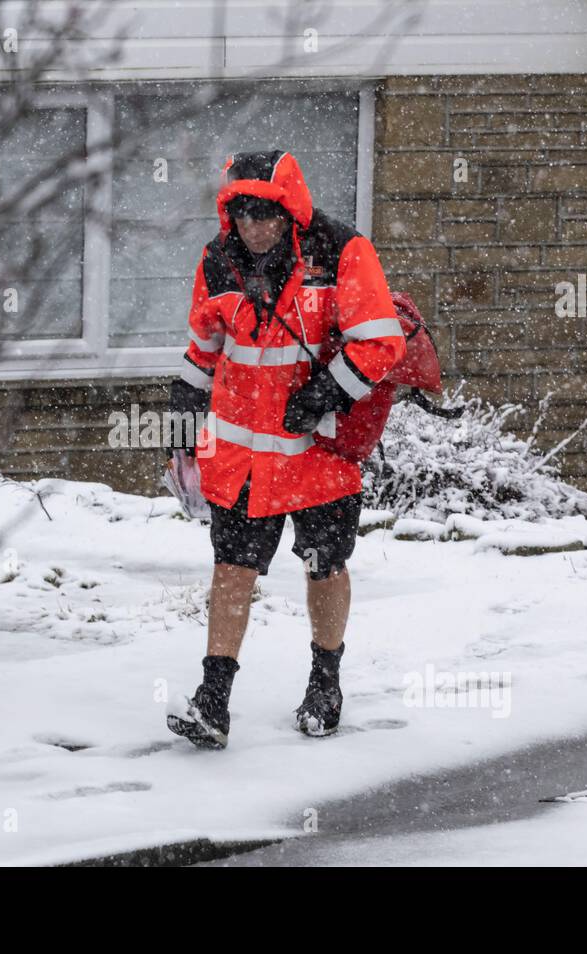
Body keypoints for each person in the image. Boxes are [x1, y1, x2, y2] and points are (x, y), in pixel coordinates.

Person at [166, 149, 406, 749]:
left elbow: (380, 343)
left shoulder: (340, 252)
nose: (253, 227)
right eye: (241, 214)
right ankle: (212, 702)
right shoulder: (219, 262)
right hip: (243, 455)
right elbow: (203, 349)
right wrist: (180, 428)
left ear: (290, 211)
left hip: (318, 452)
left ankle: (326, 681)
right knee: (231, 568)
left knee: (324, 564)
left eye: (265, 214)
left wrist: (324, 394)